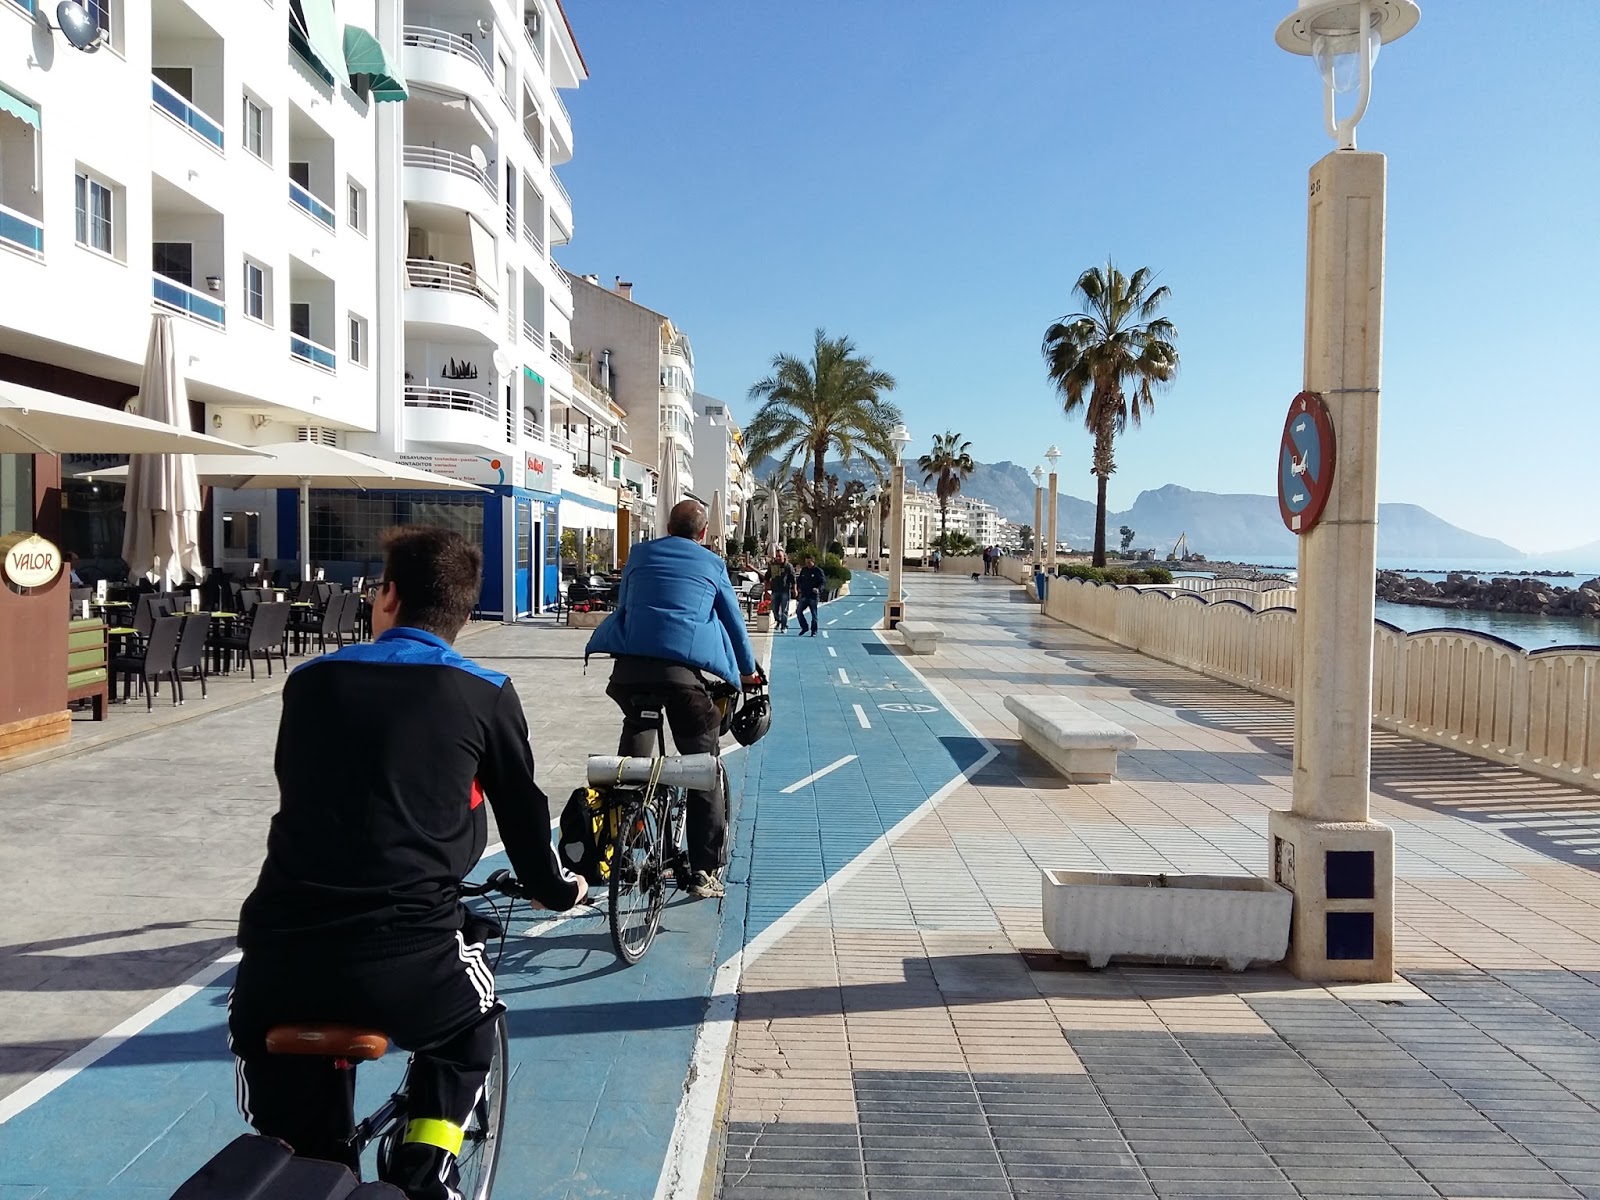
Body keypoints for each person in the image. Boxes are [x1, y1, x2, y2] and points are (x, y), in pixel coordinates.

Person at [228, 526, 586, 1200]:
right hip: (408, 957)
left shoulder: (309, 682)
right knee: (474, 1027)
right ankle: (426, 1171)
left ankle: (308, 1162)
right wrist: (557, 890)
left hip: (278, 961)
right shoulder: (486, 691)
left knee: (298, 1143)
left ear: (386, 595)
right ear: (463, 611)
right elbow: (523, 812)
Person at [584, 499, 761, 898]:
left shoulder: (640, 555)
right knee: (703, 765)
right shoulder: (712, 564)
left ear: (666, 525)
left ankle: (626, 837)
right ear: (702, 534)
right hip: (681, 678)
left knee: (632, 762)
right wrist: (747, 670)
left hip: (630, 674)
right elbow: (734, 622)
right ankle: (703, 870)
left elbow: (625, 605)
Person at [794, 553, 827, 636]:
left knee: (814, 614)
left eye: (809, 563)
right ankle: (804, 627)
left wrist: (818, 589)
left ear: (813, 562)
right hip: (805, 595)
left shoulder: (818, 571)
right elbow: (800, 580)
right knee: (798, 611)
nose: (807, 564)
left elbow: (823, 583)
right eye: (806, 563)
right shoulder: (804, 570)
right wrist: (799, 588)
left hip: (813, 596)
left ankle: (814, 631)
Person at [764, 549, 796, 632]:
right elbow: (767, 577)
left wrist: (795, 589)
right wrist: (766, 589)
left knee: (784, 610)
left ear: (784, 556)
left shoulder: (788, 566)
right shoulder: (772, 565)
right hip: (775, 590)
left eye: (780, 556)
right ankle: (779, 621)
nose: (778, 558)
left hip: (785, 590)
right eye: (777, 556)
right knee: (774, 609)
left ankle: (783, 626)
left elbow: (793, 579)